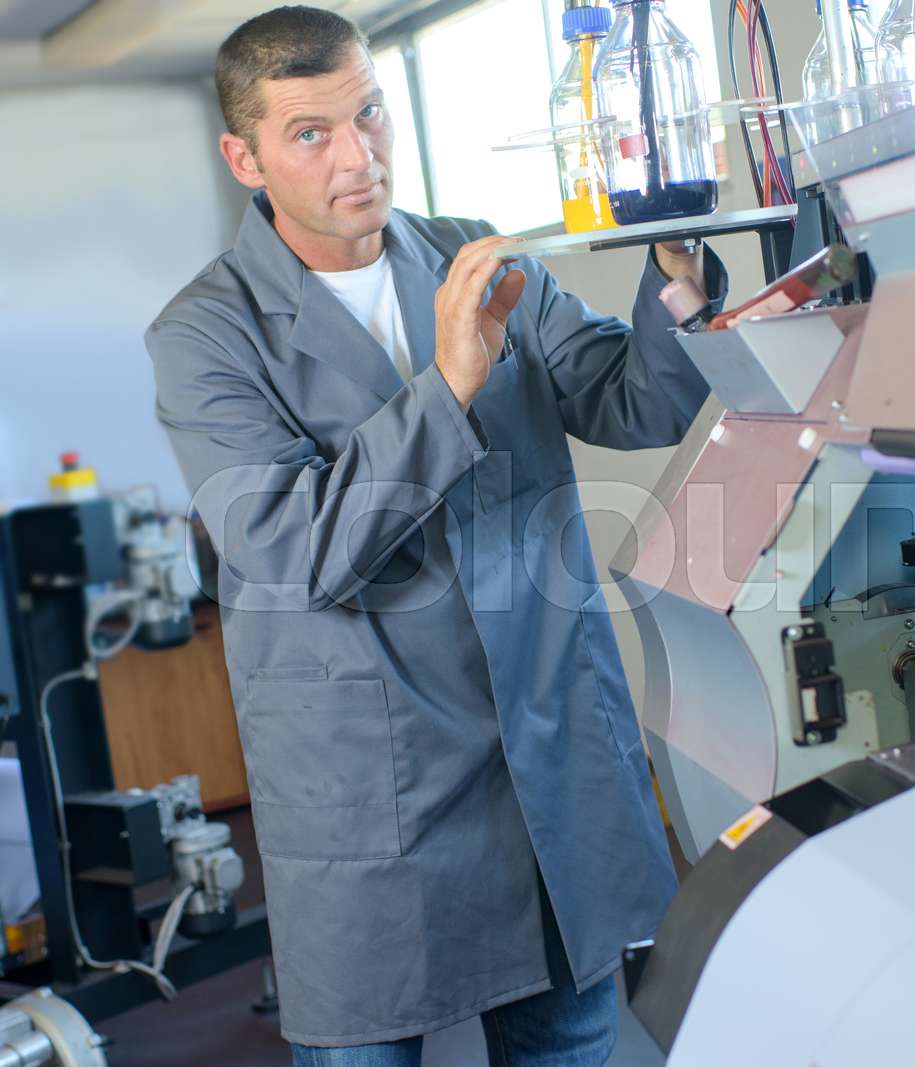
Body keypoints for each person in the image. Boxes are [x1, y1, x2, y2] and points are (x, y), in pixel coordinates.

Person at [145, 6, 725, 1063]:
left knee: (570, 1038)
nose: (359, 155)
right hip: (378, 788)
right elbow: (292, 549)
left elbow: (632, 403)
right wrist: (452, 381)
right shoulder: (205, 335)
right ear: (245, 156)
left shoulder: (472, 257)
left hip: (547, 755)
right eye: (311, 133)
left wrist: (675, 275)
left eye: (370, 113)